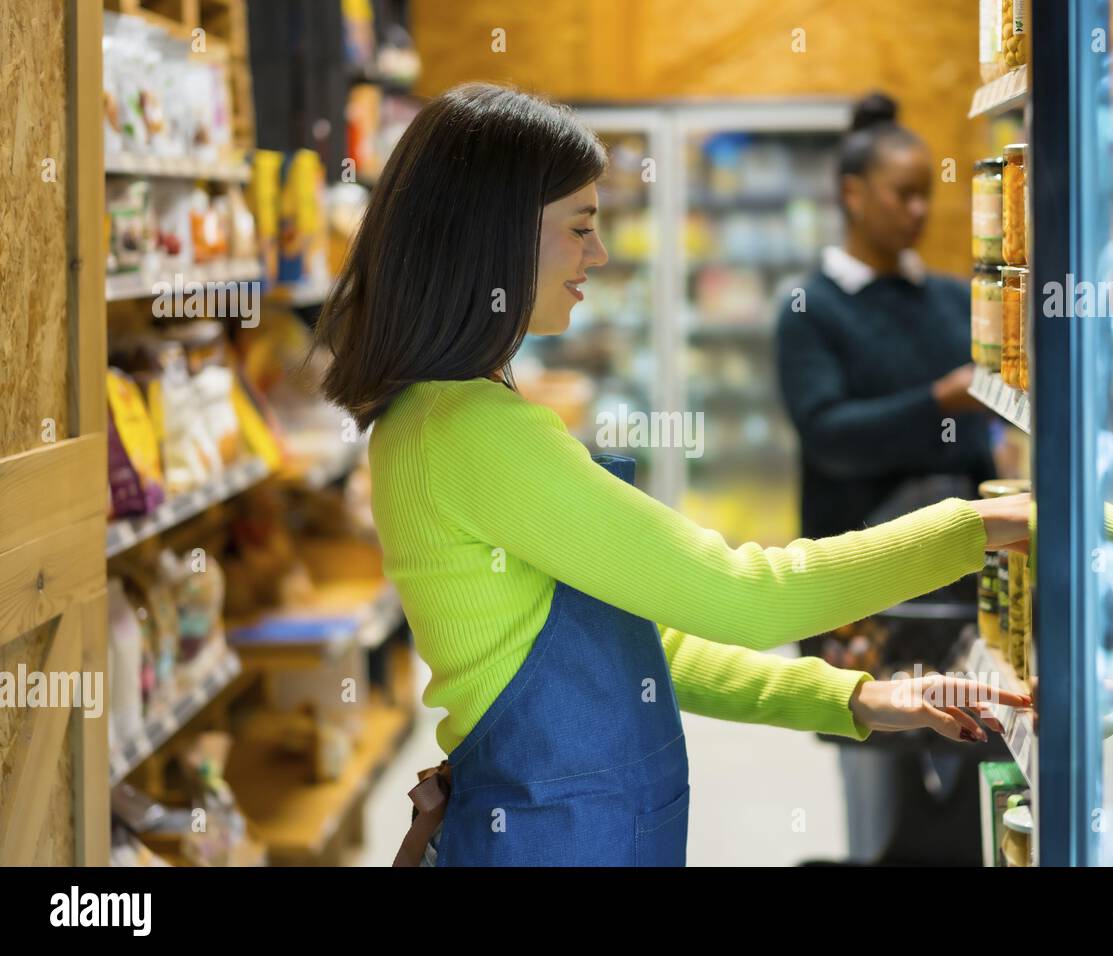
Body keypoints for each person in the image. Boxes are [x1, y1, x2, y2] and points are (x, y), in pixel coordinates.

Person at [314, 82, 1030, 867]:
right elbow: (746, 595)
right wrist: (981, 527)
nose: (599, 254)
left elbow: (639, 650)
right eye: (581, 227)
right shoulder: (473, 431)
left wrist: (856, 697)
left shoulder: (439, 415)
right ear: (497, 236)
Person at [776, 92, 1000, 865]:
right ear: (852, 193)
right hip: (860, 589)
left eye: (924, 195)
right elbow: (830, 436)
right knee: (877, 769)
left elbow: (974, 438)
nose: (916, 210)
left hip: (960, 587)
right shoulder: (811, 309)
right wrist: (935, 401)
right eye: (902, 194)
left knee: (978, 757)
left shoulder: (946, 298)